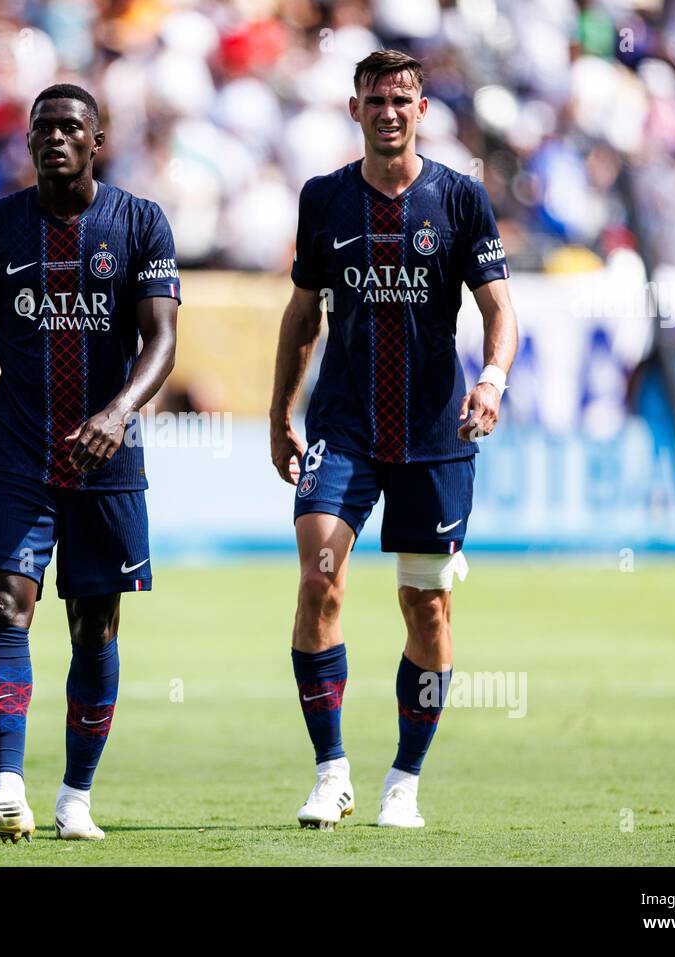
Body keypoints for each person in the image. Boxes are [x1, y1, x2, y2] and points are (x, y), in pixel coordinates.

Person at [268, 50, 518, 830]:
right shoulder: (324, 201)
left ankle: (404, 779)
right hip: (342, 428)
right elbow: (304, 313)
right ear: (354, 110)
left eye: (401, 100)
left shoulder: (459, 199)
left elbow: (500, 312)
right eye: (374, 99)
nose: (388, 112)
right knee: (319, 577)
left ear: (421, 111)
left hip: (434, 434)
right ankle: (330, 771)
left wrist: (492, 381)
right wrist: (280, 409)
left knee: (428, 608)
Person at [0, 84, 180, 842]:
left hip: (107, 461)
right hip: (17, 453)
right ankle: (8, 785)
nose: (55, 139)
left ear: (96, 139)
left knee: (94, 628)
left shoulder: (139, 223)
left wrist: (117, 412)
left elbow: (162, 339)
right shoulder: (0, 225)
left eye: (70, 128)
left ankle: (75, 796)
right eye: (42, 128)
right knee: (5, 601)